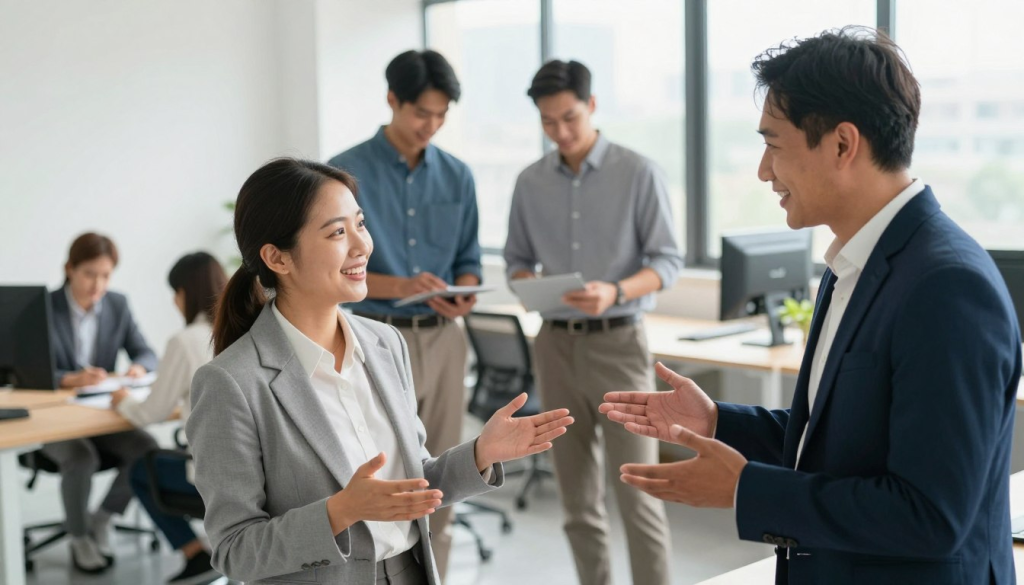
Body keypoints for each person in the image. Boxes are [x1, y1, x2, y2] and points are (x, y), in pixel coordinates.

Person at [601, 27, 1021, 584]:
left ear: (843, 145)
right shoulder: (851, 264)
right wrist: (719, 422)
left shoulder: (947, 287)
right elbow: (840, 440)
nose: (762, 170)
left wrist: (746, 488)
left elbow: (930, 515)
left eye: (774, 144)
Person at [186, 158, 574, 585]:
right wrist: (341, 511)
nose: (363, 246)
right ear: (277, 258)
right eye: (337, 232)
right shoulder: (230, 383)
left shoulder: (385, 344)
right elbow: (234, 550)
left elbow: (410, 484)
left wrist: (482, 453)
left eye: (360, 224)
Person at [503, 60, 683, 585]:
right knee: (577, 502)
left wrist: (617, 290)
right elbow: (516, 258)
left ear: (593, 106)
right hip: (555, 347)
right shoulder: (529, 182)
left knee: (639, 494)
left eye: (569, 118)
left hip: (620, 345)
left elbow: (668, 260)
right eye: (547, 122)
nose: (559, 131)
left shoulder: (639, 172)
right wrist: (527, 282)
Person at [326, 49, 482, 579]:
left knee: (442, 477)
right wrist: (401, 285)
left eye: (441, 115)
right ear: (393, 100)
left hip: (443, 340)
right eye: (422, 113)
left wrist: (463, 290)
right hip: (370, 338)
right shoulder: (343, 175)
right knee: (374, 472)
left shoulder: (458, 176)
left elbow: (468, 257)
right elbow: (334, 262)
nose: (431, 126)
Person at [44, 232, 159, 573]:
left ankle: (102, 518)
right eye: (90, 274)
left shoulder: (117, 305)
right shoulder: (44, 307)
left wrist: (139, 367)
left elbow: (146, 352)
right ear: (70, 269)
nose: (98, 284)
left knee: (147, 448)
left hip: (100, 416)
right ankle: (78, 538)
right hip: (55, 420)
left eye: (106, 275)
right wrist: (67, 378)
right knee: (81, 457)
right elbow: (21, 372)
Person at [109, 251, 226, 583]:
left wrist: (121, 401)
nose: (175, 302)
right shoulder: (245, 330)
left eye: (175, 293)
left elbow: (150, 413)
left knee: (140, 470)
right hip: (259, 475)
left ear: (185, 292)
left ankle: (194, 553)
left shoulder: (186, 340)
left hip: (211, 481)